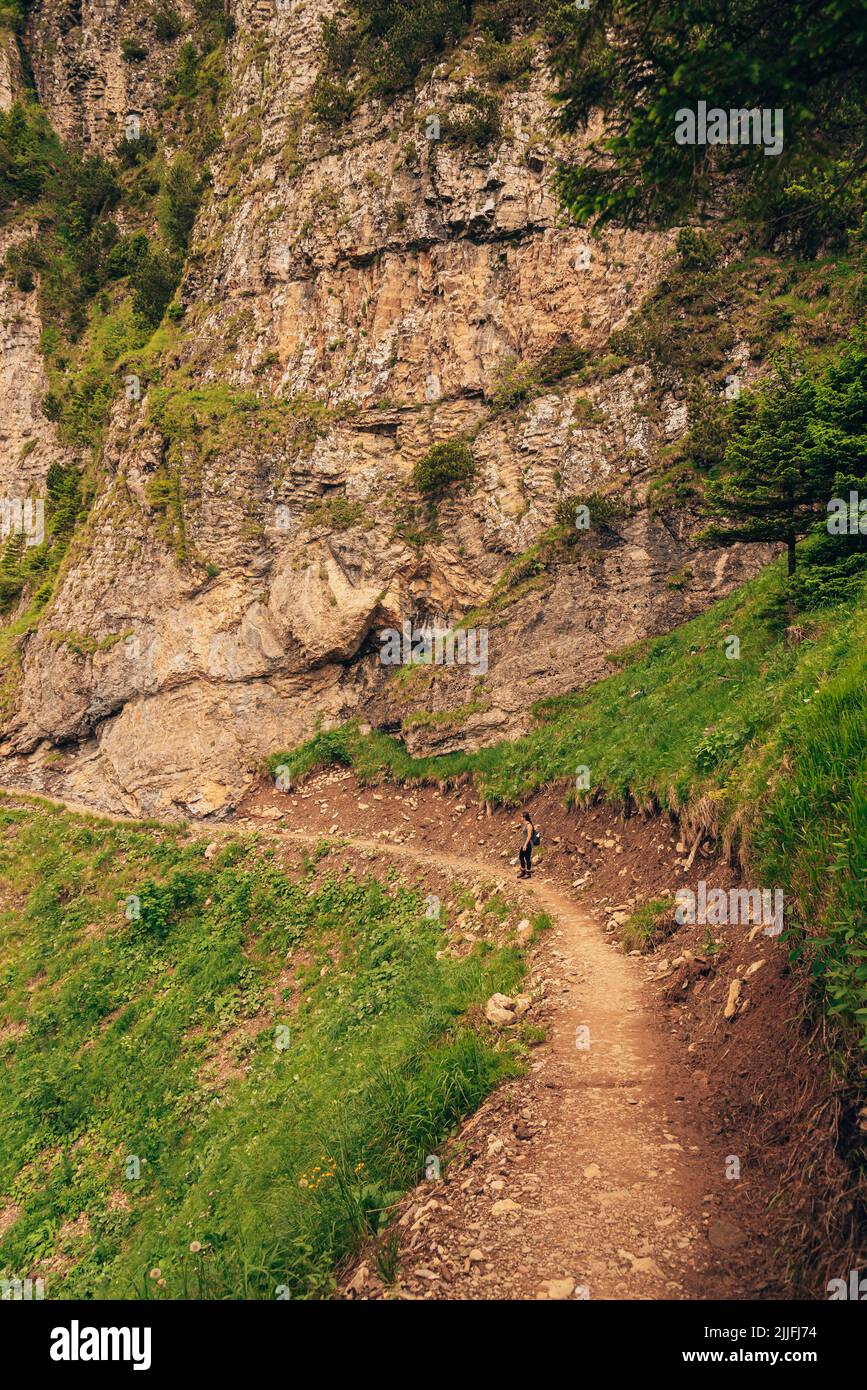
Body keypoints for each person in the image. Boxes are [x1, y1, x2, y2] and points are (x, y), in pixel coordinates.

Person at [518, 811, 535, 879]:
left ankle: (528, 873)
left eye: (521, 816)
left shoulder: (529, 825)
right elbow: (523, 835)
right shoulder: (524, 824)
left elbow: (529, 836)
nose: (520, 817)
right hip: (523, 844)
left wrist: (525, 845)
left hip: (528, 844)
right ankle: (523, 871)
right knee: (521, 857)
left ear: (524, 817)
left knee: (527, 858)